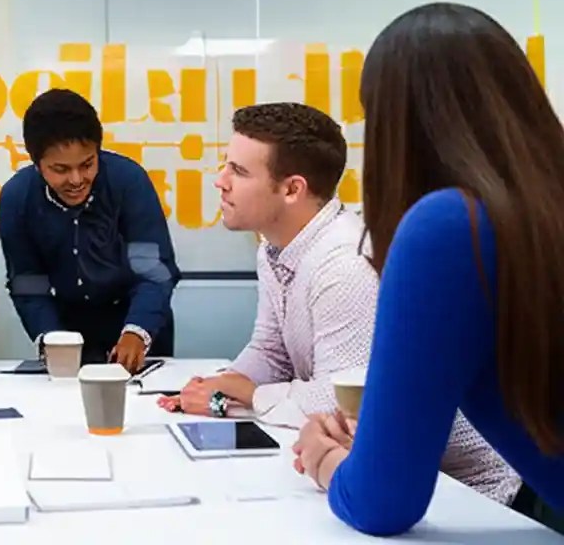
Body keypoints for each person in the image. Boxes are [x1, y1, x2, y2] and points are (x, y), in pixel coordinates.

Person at [293, 2, 564, 536]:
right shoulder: (531, 219)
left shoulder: (450, 228)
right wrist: (375, 453)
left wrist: (325, 460)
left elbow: (382, 503)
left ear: (396, 128)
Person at [160, 102, 518, 503]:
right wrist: (212, 389)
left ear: (293, 189)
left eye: (238, 171)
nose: (219, 181)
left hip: (465, 490)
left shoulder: (344, 263)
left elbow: (342, 401)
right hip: (392, 469)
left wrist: (247, 394)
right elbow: (270, 350)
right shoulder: (274, 248)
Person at [0, 88, 179, 372]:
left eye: (87, 164)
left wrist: (137, 331)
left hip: (138, 324)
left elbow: (153, 270)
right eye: (60, 169)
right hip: (68, 332)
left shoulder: (128, 181)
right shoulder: (16, 198)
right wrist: (50, 339)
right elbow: (28, 284)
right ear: (37, 164)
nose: (77, 179)